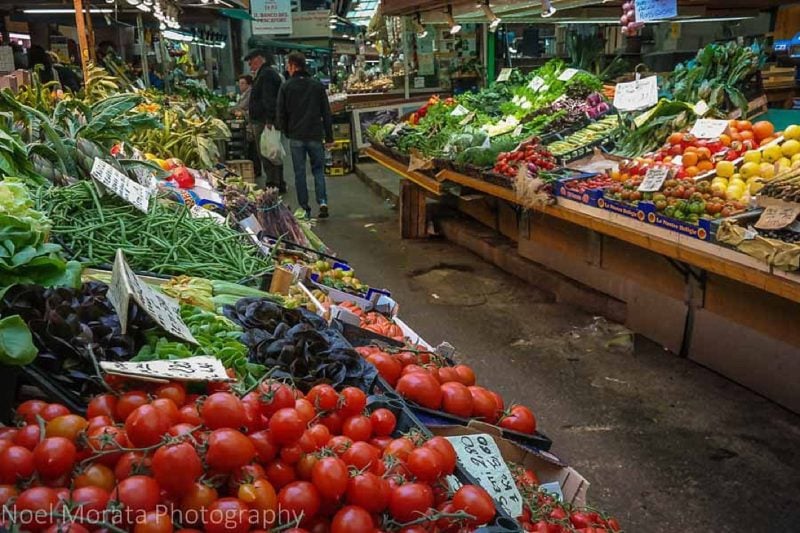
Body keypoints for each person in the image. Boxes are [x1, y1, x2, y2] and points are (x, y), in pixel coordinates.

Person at [277, 52, 334, 219]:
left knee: (299, 173)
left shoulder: (286, 87)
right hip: (315, 135)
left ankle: (305, 208)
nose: (287, 68)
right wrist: (329, 136)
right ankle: (322, 201)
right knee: (318, 170)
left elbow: (281, 113)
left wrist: (286, 131)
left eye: (288, 65)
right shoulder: (316, 86)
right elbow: (326, 112)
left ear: (294, 66)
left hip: (296, 137)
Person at [245, 49, 285, 192]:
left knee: (268, 152)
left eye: (251, 63)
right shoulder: (265, 73)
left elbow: (269, 99)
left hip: (264, 121)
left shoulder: (266, 75)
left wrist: (269, 119)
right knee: (272, 151)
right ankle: (277, 181)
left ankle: (273, 183)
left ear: (259, 59)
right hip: (265, 120)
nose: (250, 67)